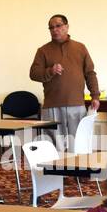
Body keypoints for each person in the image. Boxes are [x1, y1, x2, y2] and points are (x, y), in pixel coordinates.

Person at [29, 14, 100, 149]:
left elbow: (90, 73)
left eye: (58, 26)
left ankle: (77, 169)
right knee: (55, 146)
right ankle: (55, 169)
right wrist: (50, 71)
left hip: (76, 104)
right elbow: (33, 74)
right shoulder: (43, 51)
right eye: (51, 27)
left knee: (78, 142)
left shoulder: (80, 48)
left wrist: (95, 96)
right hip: (52, 106)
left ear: (67, 27)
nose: (54, 30)